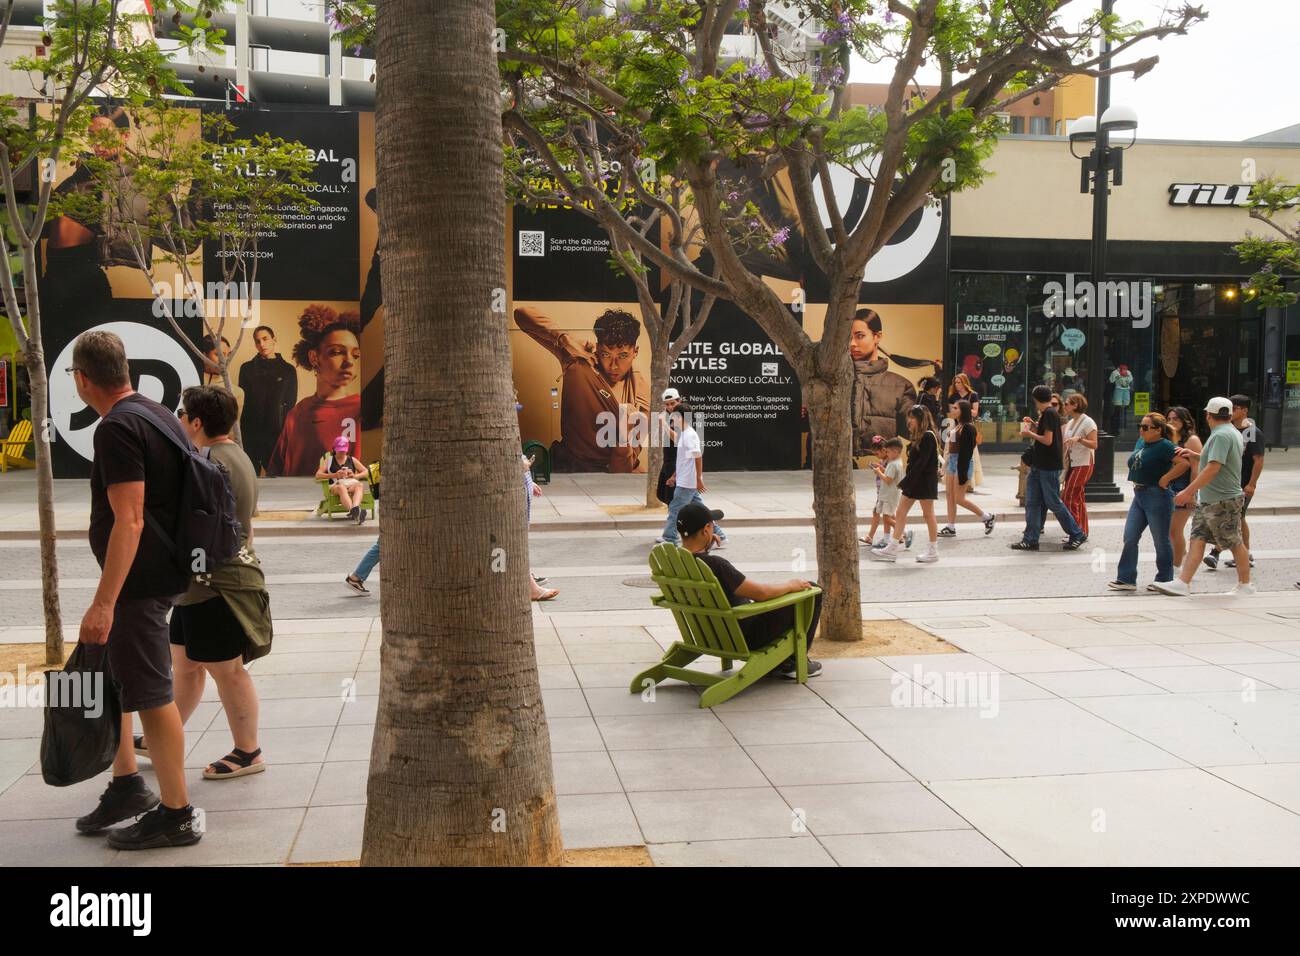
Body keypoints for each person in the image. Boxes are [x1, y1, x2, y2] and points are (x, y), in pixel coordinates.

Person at [66, 330, 200, 850]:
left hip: (139, 585)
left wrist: (104, 602)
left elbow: (131, 520)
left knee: (149, 692)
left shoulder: (116, 428)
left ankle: (177, 812)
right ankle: (126, 786)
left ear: (81, 379)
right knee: (123, 680)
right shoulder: (154, 412)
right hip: (156, 574)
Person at [137, 386, 270, 779]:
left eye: (182, 413)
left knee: (226, 669)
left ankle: (248, 751)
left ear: (196, 422)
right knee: (186, 663)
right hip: (203, 585)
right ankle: (166, 731)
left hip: (216, 586)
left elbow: (193, 526)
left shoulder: (206, 462)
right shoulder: (238, 457)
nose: (178, 419)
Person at [676, 501, 822, 679]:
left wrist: (705, 548)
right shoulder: (716, 565)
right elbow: (761, 594)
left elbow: (697, 559)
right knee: (813, 592)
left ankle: (786, 661)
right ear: (706, 530)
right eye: (713, 525)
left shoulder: (677, 562)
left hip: (711, 635)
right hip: (745, 635)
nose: (715, 528)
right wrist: (791, 586)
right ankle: (793, 661)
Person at [514, 306, 649, 473]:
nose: (614, 366)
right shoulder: (580, 360)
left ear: (635, 352)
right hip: (569, 466)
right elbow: (521, 315)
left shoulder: (640, 394)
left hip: (615, 474)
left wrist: (623, 435)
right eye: (606, 355)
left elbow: (622, 468)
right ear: (598, 347)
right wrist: (563, 338)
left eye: (622, 356)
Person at [1153, 398, 1254, 597]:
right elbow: (1218, 461)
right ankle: (1183, 583)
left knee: (1234, 542)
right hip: (1212, 499)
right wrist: (1194, 454)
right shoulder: (1230, 431)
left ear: (1208, 415)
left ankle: (1245, 585)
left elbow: (1213, 468)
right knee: (1197, 539)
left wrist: (1188, 491)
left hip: (1222, 499)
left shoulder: (1220, 436)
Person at [268, 305, 362, 477]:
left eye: (355, 355)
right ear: (314, 357)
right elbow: (276, 472)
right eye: (336, 352)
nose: (349, 361)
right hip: (296, 502)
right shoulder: (297, 413)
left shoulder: (362, 409)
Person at [1108, 412, 1178, 592]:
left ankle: (1164, 578)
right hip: (1139, 493)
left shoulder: (1165, 446)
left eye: (1146, 427)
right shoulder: (1141, 442)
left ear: (1158, 430)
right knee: (1130, 536)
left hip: (1157, 495)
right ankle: (1126, 578)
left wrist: (1166, 478)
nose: (1141, 430)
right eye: (1140, 426)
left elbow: (1184, 463)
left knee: (1160, 540)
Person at [1011, 385, 1086, 552]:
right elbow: (1046, 433)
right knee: (1032, 501)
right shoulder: (1048, 414)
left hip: (1048, 466)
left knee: (1053, 502)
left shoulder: (1050, 413)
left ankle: (1077, 533)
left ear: (1035, 399)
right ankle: (1030, 539)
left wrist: (1030, 434)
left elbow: (1047, 440)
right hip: (1040, 464)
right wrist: (1034, 424)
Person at [871, 405, 940, 563]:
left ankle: (933, 550)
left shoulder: (928, 436)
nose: (909, 421)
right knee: (901, 513)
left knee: (928, 514)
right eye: (909, 417)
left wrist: (905, 481)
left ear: (921, 419)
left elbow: (922, 463)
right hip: (915, 481)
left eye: (912, 417)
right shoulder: (919, 435)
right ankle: (892, 547)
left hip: (923, 482)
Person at [849, 308, 923, 454]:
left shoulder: (900, 386)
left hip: (882, 464)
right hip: (838, 467)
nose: (852, 343)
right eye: (848, 337)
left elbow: (915, 432)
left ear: (877, 336)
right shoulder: (832, 383)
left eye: (860, 336)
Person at [1206, 394, 1265, 572]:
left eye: (1235, 408)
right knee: (1239, 518)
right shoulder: (1228, 429)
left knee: (1237, 517)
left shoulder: (1252, 432)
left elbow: (1258, 459)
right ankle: (1244, 554)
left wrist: (1252, 484)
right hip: (1229, 481)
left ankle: (1216, 552)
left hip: (1242, 483)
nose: (1231, 411)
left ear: (1245, 410)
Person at [656, 403, 726, 546]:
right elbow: (683, 460)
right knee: (701, 512)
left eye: (674, 416)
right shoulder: (684, 434)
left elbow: (697, 457)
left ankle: (670, 539)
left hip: (688, 483)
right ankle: (720, 536)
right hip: (685, 481)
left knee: (675, 509)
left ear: (681, 417)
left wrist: (698, 479)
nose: (672, 418)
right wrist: (674, 476)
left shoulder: (690, 435)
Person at [238, 325, 298, 476]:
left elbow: (290, 404)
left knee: (277, 477)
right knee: (251, 475)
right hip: (251, 433)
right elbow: (243, 402)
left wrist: (285, 433)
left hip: (277, 432)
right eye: (257, 341)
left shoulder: (288, 370)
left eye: (265, 339)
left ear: (274, 340)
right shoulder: (247, 369)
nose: (262, 344)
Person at [939, 399, 995, 537]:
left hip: (962, 463)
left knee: (959, 498)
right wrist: (944, 466)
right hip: (952, 462)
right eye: (953, 407)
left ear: (962, 410)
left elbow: (967, 452)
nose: (953, 410)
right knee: (950, 496)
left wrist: (962, 472)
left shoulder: (968, 427)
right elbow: (950, 450)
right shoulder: (957, 426)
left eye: (956, 408)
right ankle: (950, 527)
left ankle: (986, 517)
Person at [1166, 405, 1202, 568]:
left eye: (1176, 418)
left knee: (1174, 530)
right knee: (1169, 530)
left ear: (1185, 420)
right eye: (1169, 419)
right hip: (1169, 486)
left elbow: (1196, 467)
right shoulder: (1168, 438)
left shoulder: (1192, 440)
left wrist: (1192, 492)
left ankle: (1175, 566)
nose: (1172, 421)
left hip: (1184, 486)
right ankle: (1181, 554)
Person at [861, 437, 910, 549]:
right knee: (887, 516)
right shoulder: (894, 462)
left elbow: (888, 479)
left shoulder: (893, 464)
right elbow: (889, 475)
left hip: (889, 495)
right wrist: (881, 468)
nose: (886, 454)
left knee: (887, 518)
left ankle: (905, 532)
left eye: (887, 451)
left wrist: (878, 472)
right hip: (887, 494)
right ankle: (888, 538)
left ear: (895, 452)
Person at [1060, 393, 1098, 538]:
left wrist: (1080, 439)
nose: (1065, 406)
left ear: (1075, 405)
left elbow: (1094, 444)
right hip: (1073, 463)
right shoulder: (1070, 422)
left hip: (1084, 463)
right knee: (1078, 497)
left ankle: (1075, 532)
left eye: (1067, 404)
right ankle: (1082, 530)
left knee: (1068, 496)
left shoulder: (1088, 422)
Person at [316, 436, 369, 524]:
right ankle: (354, 511)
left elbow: (366, 471)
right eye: (340, 450)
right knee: (341, 488)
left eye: (343, 450)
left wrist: (355, 476)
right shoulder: (329, 460)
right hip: (336, 485)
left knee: (360, 485)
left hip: (350, 484)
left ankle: (355, 510)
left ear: (347, 449)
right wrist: (335, 475)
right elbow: (318, 475)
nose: (342, 452)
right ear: (334, 449)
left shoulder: (352, 460)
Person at [948, 372, 984, 489]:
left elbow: (975, 412)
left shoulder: (972, 395)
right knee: (952, 449)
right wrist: (958, 411)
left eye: (959, 382)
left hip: (967, 425)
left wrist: (963, 409)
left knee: (969, 453)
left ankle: (970, 482)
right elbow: (952, 413)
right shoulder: (952, 396)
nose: (957, 384)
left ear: (964, 382)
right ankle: (951, 477)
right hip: (954, 426)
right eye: (955, 382)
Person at [655, 387, 683, 504]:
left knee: (672, 499)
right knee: (661, 494)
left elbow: (678, 439)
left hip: (677, 462)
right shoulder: (668, 415)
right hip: (668, 461)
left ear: (679, 401)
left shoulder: (682, 415)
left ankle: (675, 520)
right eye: (667, 404)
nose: (670, 407)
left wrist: (665, 425)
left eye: (673, 403)